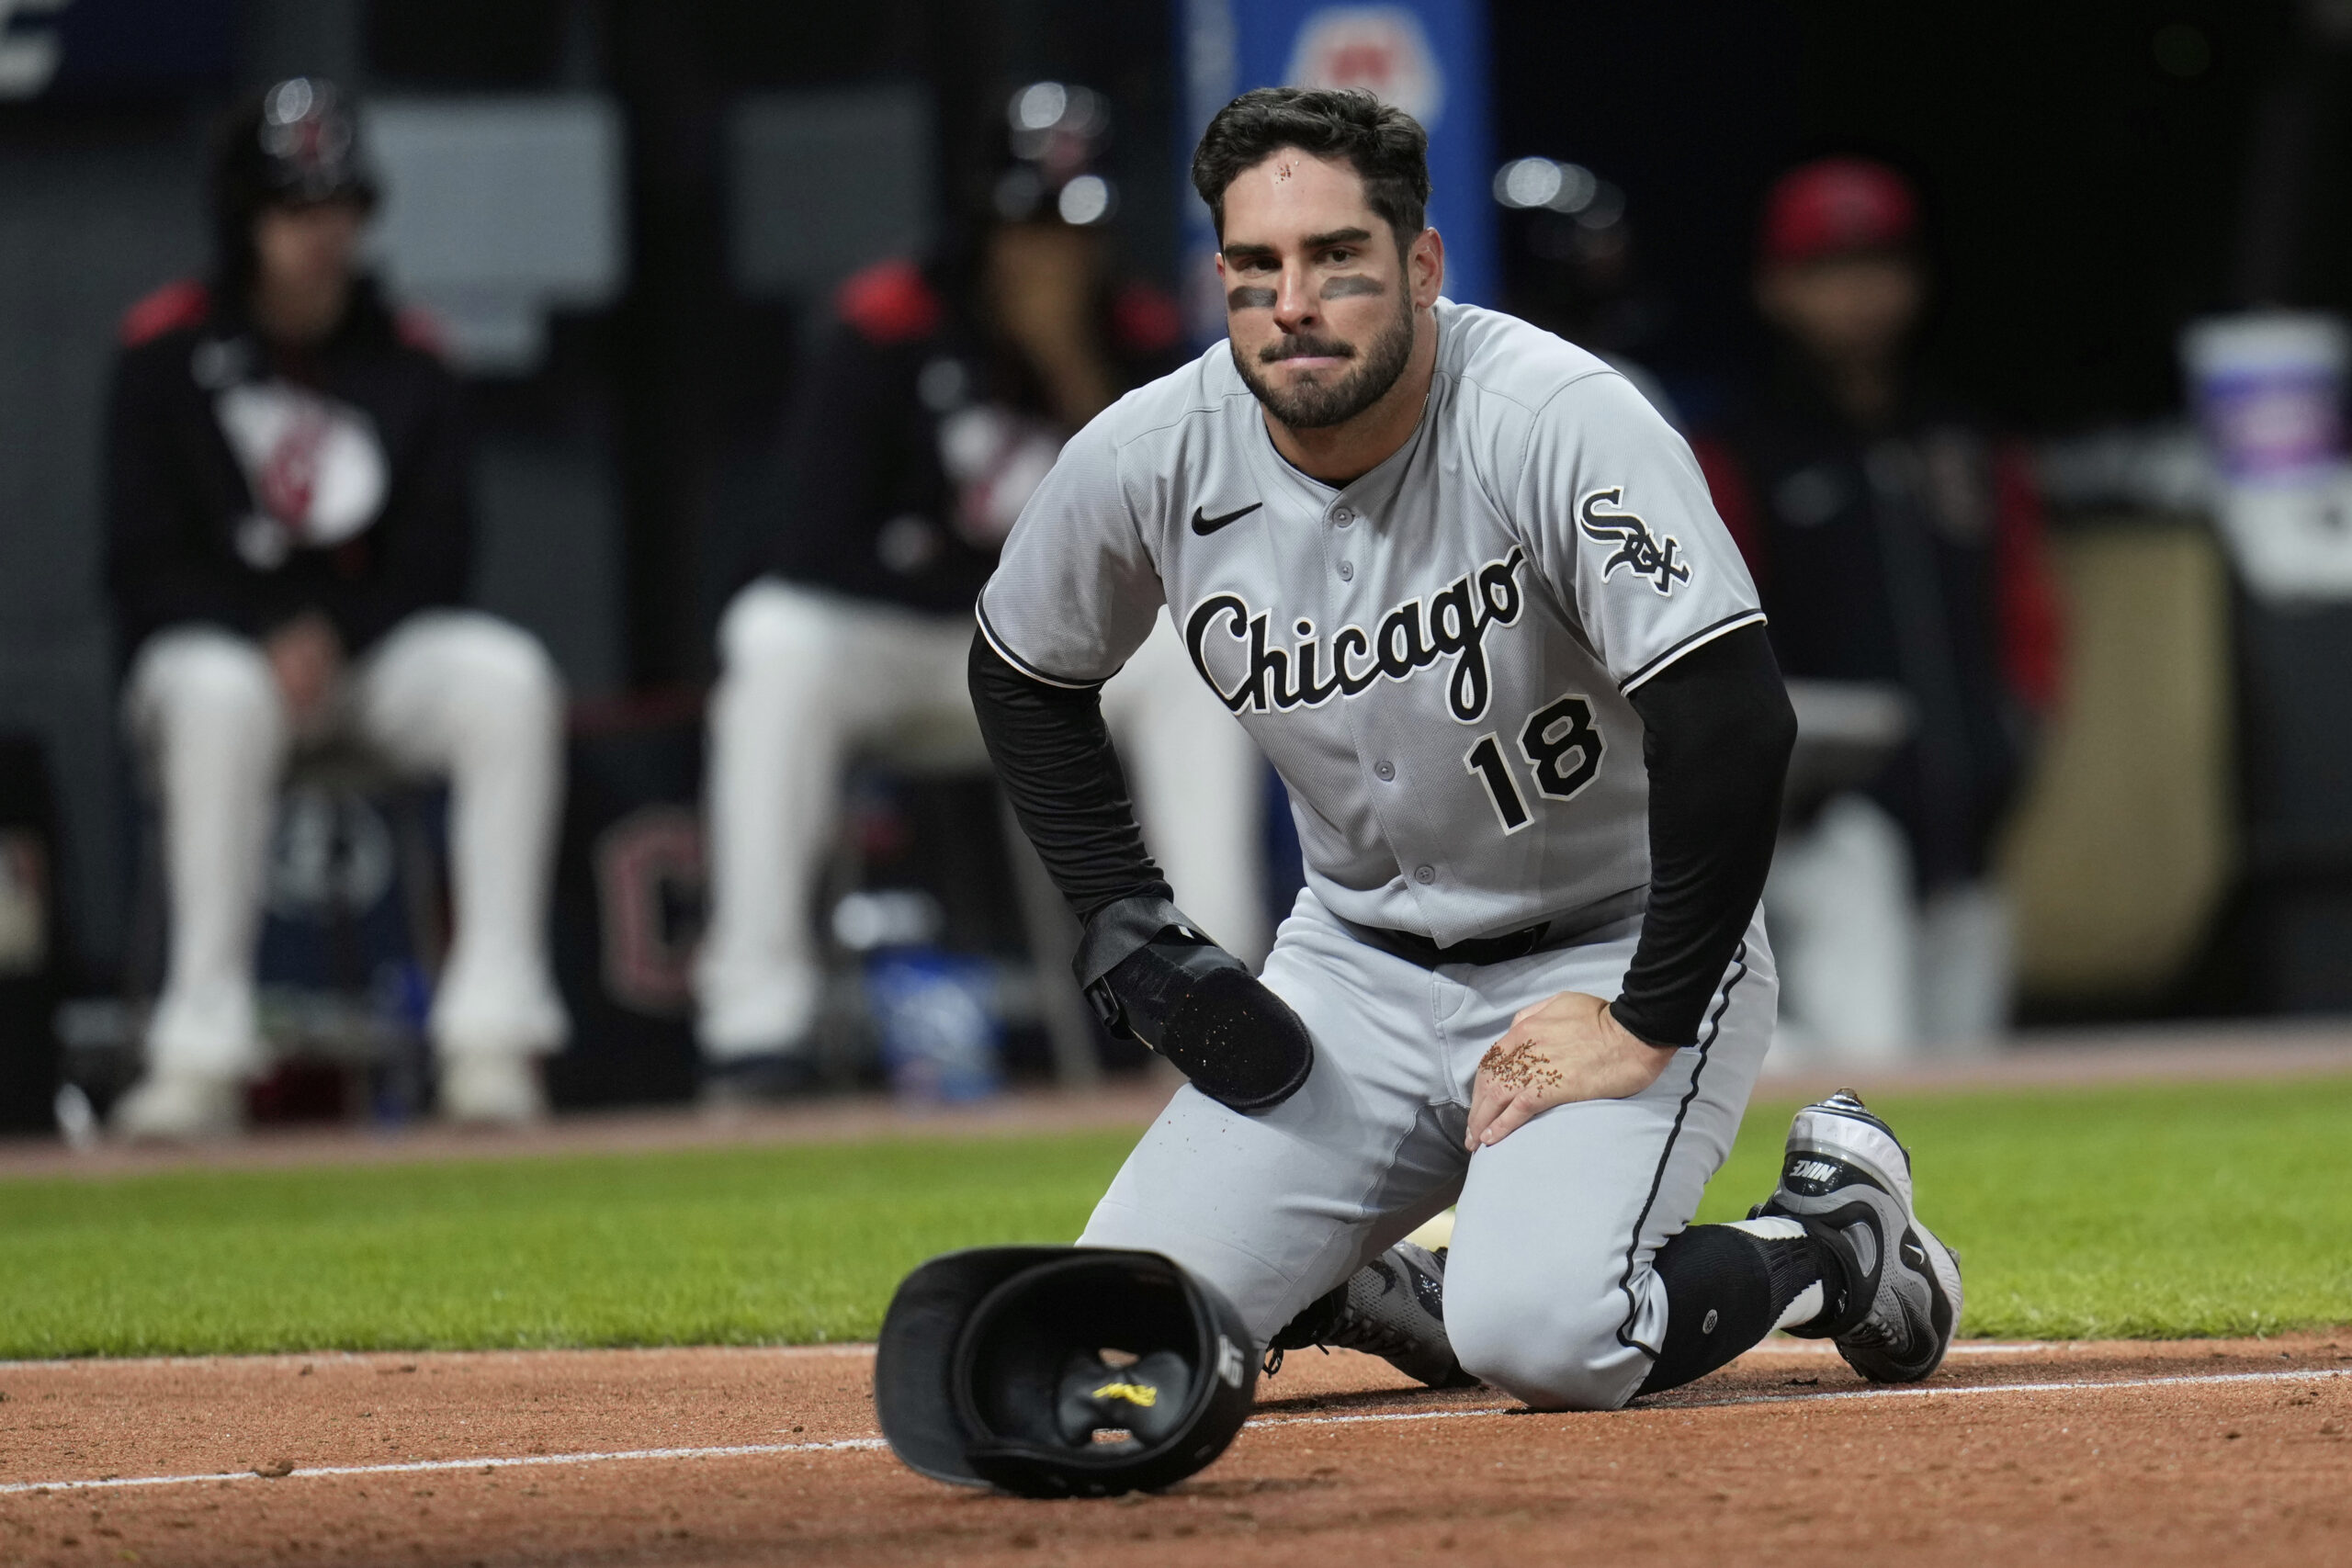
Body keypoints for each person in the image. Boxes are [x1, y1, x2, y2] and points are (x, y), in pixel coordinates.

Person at [967, 87, 1961, 1411]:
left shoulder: (1553, 415)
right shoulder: (1155, 450)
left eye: (1336, 261)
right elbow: (1022, 671)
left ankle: (1836, 1233)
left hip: (1608, 936)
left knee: (1552, 1335)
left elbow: (1732, 719)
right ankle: (1394, 1284)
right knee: (1120, 1328)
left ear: (1421, 266)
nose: (1294, 303)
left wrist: (1645, 1014)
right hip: (1352, 971)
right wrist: (1120, 913)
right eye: (1257, 268)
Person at [695, 84, 1266, 1095]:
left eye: (1068, 228)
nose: (1047, 252)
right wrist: (974, 589)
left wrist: (1071, 368)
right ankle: (757, 1021)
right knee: (774, 639)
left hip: (1062, 658)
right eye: (1025, 226)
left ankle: (1210, 1009)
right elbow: (810, 539)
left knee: (1191, 646)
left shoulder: (1132, 335)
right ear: (981, 223)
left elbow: (1189, 530)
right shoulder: (889, 321)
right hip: (912, 646)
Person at [104, 79, 569, 1138]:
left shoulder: (411, 356)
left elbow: (441, 557)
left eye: (337, 211)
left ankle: (492, 1039)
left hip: (370, 660)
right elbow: (139, 565)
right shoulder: (162, 350)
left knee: (504, 679)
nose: (319, 238)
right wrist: (266, 631)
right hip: (214, 663)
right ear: (244, 218)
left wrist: (336, 635)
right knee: (219, 694)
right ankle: (199, 1052)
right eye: (292, 213)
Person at [1692, 157, 2062, 1060]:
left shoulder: (1965, 441)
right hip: (1825, 827)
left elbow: (2028, 615)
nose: (1858, 294)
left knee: (1972, 1083)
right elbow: (1709, 646)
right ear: (1774, 287)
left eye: (1878, 263)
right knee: (1872, 1074)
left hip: (1969, 827)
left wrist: (2018, 738)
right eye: (1825, 269)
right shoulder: (1741, 454)